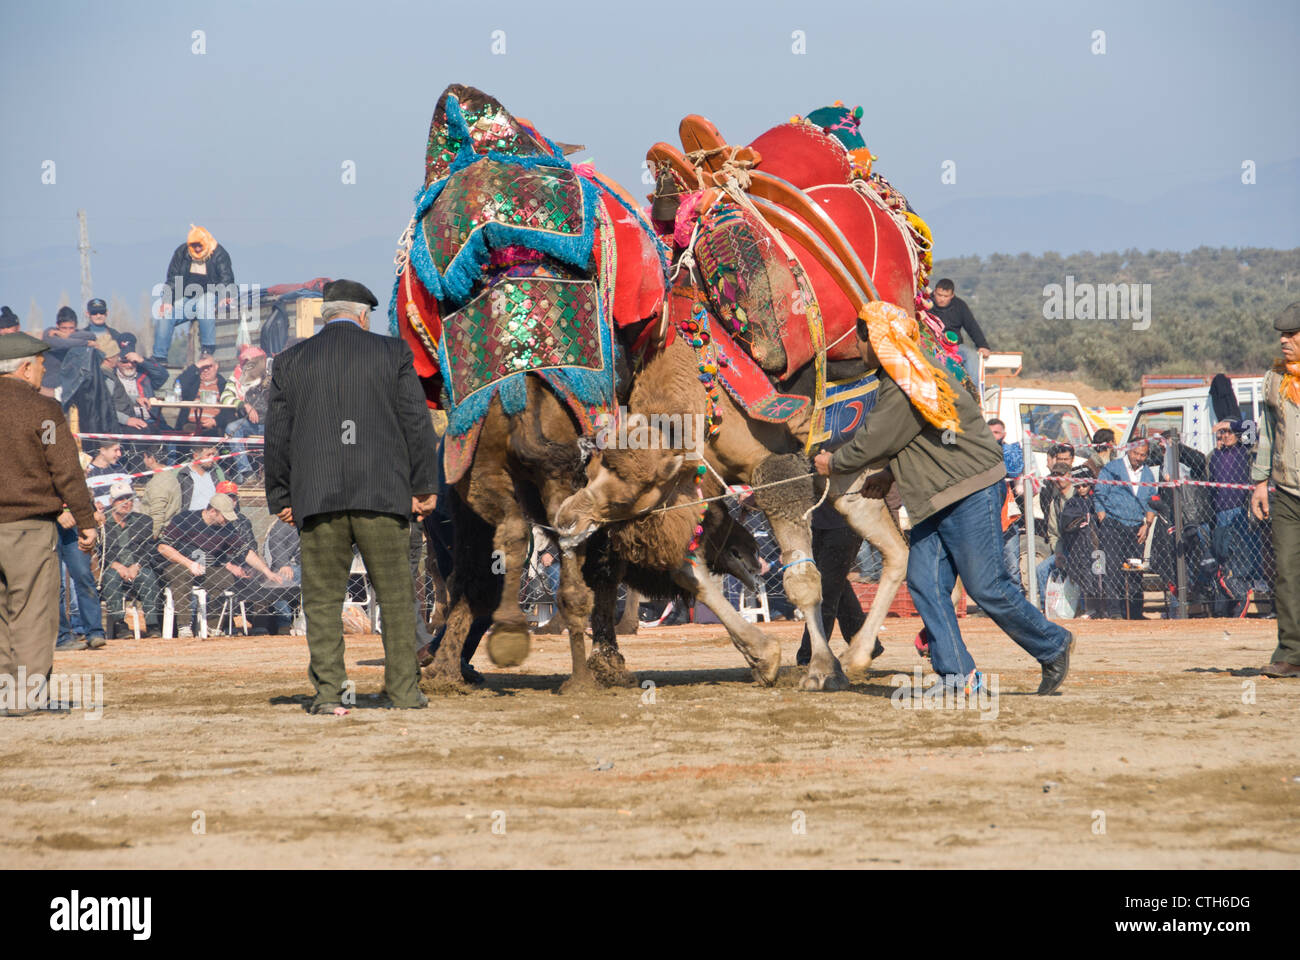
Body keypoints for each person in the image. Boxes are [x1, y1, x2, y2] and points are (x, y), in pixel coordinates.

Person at [814, 301, 1074, 694]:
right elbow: (921, 438)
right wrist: (889, 473)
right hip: (937, 498)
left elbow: (873, 441)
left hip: (967, 490)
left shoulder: (904, 385)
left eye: (862, 340)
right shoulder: (910, 376)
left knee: (987, 586)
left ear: (878, 341)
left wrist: (833, 462)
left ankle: (1053, 644)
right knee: (925, 582)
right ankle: (958, 677)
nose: (858, 349)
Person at [264, 279, 439, 714]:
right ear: (363, 316)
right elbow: (416, 424)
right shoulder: (392, 354)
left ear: (327, 315)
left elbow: (276, 437)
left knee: (322, 602)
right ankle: (402, 693)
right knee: (397, 598)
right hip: (383, 496)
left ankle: (329, 696)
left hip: (317, 499)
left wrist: (281, 496)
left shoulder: (289, 362)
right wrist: (424, 487)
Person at [0, 333, 98, 713]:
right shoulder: (44, 411)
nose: (44, 369)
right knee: (32, 614)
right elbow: (66, 470)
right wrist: (86, 519)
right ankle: (24, 698)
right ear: (24, 367)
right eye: (41, 363)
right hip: (28, 527)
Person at [1250, 302, 1300, 678]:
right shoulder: (1274, 379)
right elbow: (1267, 433)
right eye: (1282, 335)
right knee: (1285, 572)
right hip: (1285, 491)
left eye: (1293, 334)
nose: (1285, 340)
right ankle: (1290, 653)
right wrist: (1259, 483)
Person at [156, 494, 255, 638]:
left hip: (204, 568)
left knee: (224, 578)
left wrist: (267, 571)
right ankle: (184, 625)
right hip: (176, 563)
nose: (226, 520)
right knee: (182, 573)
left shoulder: (225, 528)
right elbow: (163, 547)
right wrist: (189, 563)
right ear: (213, 511)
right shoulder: (185, 519)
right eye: (224, 516)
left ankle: (212, 625)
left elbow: (244, 551)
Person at [1094, 438, 1158, 619]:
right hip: (1113, 524)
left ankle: (1135, 612)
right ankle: (1115, 612)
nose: (1138, 458)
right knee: (1113, 568)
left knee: (1135, 569)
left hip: (1136, 527)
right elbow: (1099, 494)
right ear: (1128, 451)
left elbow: (1152, 502)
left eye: (1143, 455)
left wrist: (1146, 525)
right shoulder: (1112, 468)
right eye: (1136, 453)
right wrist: (1103, 517)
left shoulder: (1148, 474)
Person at [154, 225, 235, 364]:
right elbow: (173, 278)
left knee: (204, 304)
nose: (197, 249)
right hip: (188, 298)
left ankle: (207, 348)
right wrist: (167, 300)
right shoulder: (182, 253)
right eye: (194, 245)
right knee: (166, 313)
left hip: (212, 294)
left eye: (200, 245)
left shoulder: (219, 253)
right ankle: (159, 357)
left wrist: (224, 296)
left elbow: (226, 278)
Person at [100, 481, 162, 638]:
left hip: (137, 566)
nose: (126, 503)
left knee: (148, 577)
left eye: (129, 498)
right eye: (120, 499)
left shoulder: (144, 521)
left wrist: (137, 565)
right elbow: (98, 550)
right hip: (112, 567)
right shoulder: (101, 522)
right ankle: (120, 625)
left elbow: (149, 549)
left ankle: (152, 624)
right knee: (111, 578)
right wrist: (115, 565)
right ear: (111, 502)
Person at [930, 279, 990, 390]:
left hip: (955, 347)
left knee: (971, 355)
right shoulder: (926, 303)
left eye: (945, 296)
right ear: (934, 292)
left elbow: (972, 326)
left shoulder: (960, 306)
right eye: (939, 295)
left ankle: (974, 391)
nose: (942, 299)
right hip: (931, 345)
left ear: (952, 295)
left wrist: (983, 345)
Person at [221, 346, 269, 481]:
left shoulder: (272, 373)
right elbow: (225, 397)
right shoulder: (238, 375)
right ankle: (246, 472)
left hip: (273, 425)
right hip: (251, 424)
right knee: (232, 428)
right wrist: (244, 405)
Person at [104, 341, 169, 436]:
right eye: (125, 361)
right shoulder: (111, 377)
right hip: (126, 421)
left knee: (170, 436)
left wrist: (142, 361)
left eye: (133, 362)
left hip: (151, 419)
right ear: (117, 361)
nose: (129, 365)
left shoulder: (144, 375)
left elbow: (164, 375)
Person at [40, 306, 97, 397]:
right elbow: (63, 344)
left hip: (71, 388)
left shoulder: (78, 335)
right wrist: (85, 343)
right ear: (57, 326)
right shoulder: (49, 334)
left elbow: (91, 336)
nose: (68, 332)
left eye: (71, 328)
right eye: (64, 328)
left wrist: (63, 335)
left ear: (76, 326)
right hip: (49, 387)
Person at [174, 352, 231, 434]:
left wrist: (216, 421)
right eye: (203, 367)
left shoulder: (224, 386)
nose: (205, 370)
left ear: (216, 366)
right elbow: (178, 386)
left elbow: (230, 410)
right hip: (190, 426)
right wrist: (196, 366)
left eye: (209, 366)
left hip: (213, 427)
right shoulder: (193, 383)